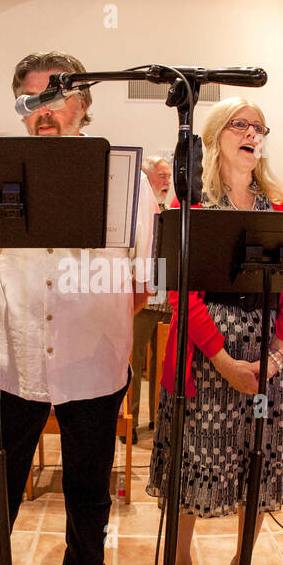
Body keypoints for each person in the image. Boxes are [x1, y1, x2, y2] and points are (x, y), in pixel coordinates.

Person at [0, 51, 156, 565]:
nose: (43, 112)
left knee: (89, 486)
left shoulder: (125, 180)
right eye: (31, 102)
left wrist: (102, 333)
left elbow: (141, 282)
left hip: (96, 366)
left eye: (55, 97)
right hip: (19, 359)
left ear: (82, 105)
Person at [146, 98, 283, 565]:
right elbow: (179, 292)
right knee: (191, 470)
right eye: (242, 125)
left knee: (256, 472)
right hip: (203, 362)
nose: (253, 134)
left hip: (268, 365)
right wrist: (223, 360)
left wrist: (277, 351)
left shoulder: (281, 205)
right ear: (216, 136)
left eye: (261, 127)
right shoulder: (188, 206)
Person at [128, 155, 174, 438]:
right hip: (143, 303)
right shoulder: (138, 213)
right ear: (146, 179)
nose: (167, 181)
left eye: (168, 176)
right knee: (133, 364)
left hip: (168, 302)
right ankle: (129, 421)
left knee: (162, 366)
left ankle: (160, 422)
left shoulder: (173, 212)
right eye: (161, 176)